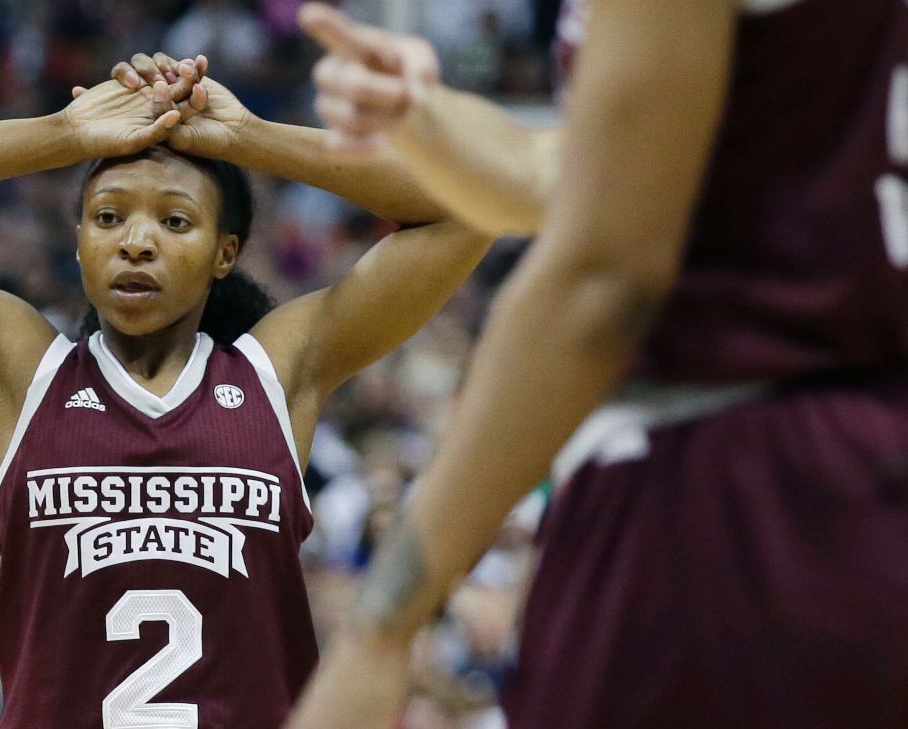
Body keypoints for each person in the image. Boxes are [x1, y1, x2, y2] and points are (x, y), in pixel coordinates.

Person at [0, 53, 494, 727]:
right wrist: (58, 135)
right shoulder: (21, 373)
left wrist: (250, 138)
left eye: (175, 220)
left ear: (226, 252)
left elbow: (466, 206)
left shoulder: (276, 374)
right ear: (77, 243)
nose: (136, 241)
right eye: (108, 216)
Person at [288, 1, 908, 728]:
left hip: (723, 491)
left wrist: (381, 627)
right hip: (852, 478)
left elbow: (603, 278)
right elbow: (595, 177)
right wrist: (423, 116)